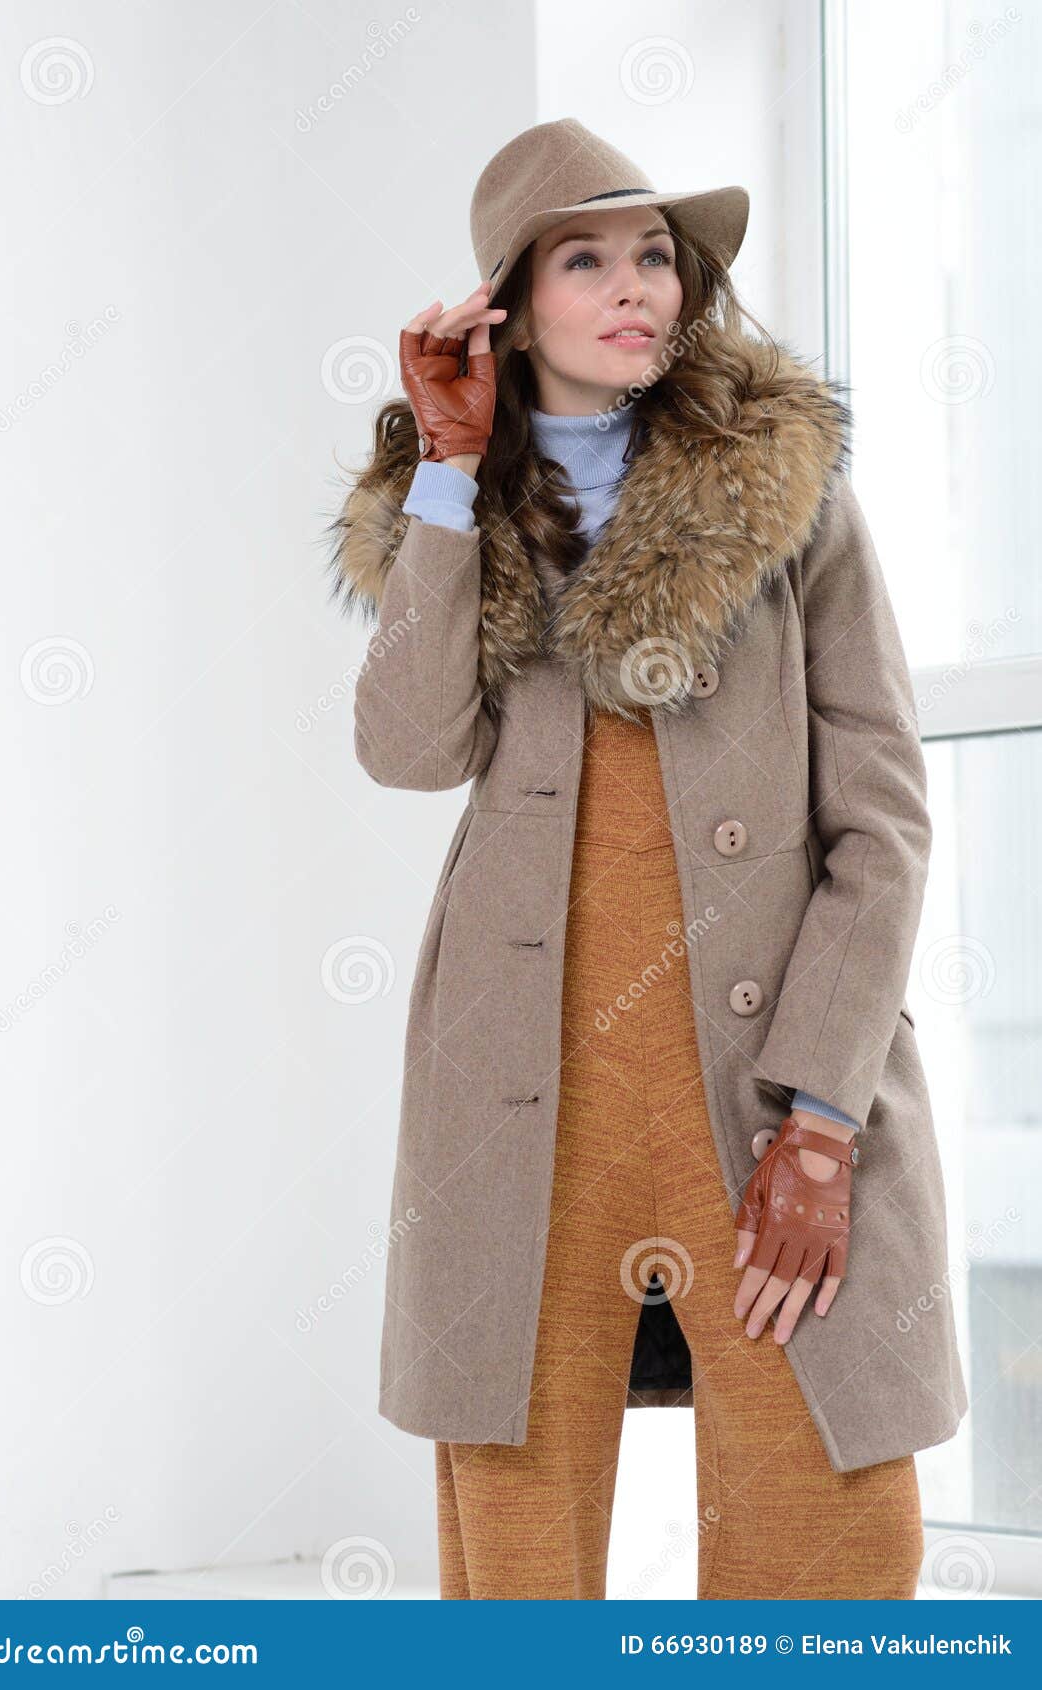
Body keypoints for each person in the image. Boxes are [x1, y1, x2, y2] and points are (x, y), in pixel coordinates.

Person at [325, 118, 968, 1601]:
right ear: (507, 302)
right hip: (522, 1086)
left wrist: (821, 1121)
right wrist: (446, 467)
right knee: (521, 1547)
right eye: (587, 258)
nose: (638, 288)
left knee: (830, 1533)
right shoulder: (460, 511)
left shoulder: (786, 490)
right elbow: (409, 749)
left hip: (768, 1081)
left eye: (657, 256)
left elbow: (885, 819)